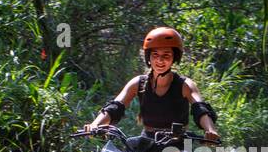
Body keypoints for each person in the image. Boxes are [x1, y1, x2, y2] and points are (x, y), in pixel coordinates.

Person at [83, 26, 220, 143]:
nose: (160, 60)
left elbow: (200, 109)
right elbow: (115, 107)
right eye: (155, 55)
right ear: (149, 57)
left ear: (174, 57)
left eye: (166, 55)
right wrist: (95, 124)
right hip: (146, 142)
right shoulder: (138, 83)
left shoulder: (185, 85)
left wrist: (210, 129)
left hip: (177, 144)